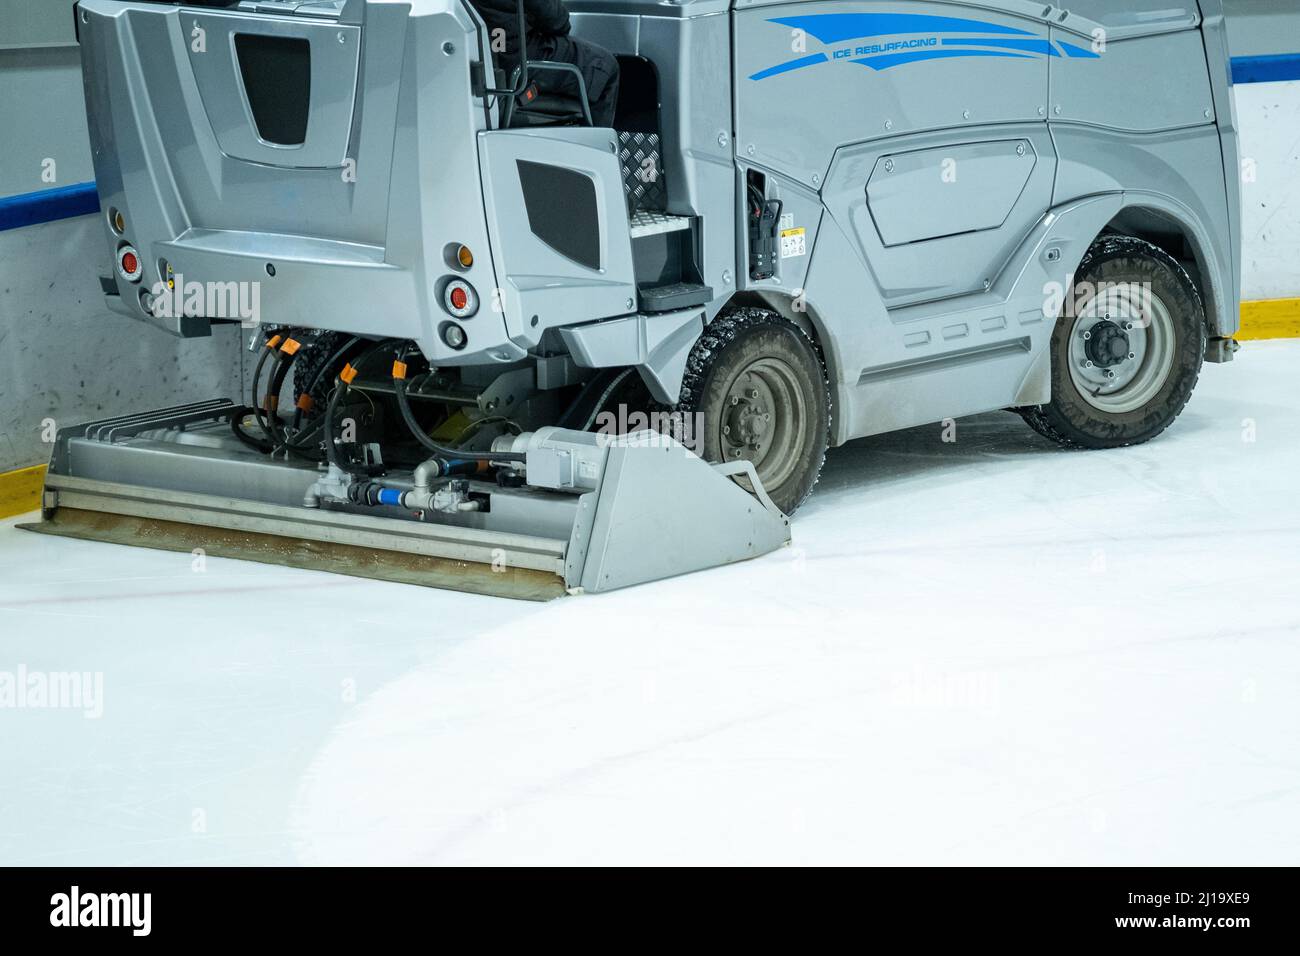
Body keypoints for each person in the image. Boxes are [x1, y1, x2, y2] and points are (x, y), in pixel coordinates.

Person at [471, 0, 620, 127]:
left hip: (484, 60)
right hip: (516, 61)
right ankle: (594, 155)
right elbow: (556, 21)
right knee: (606, 68)